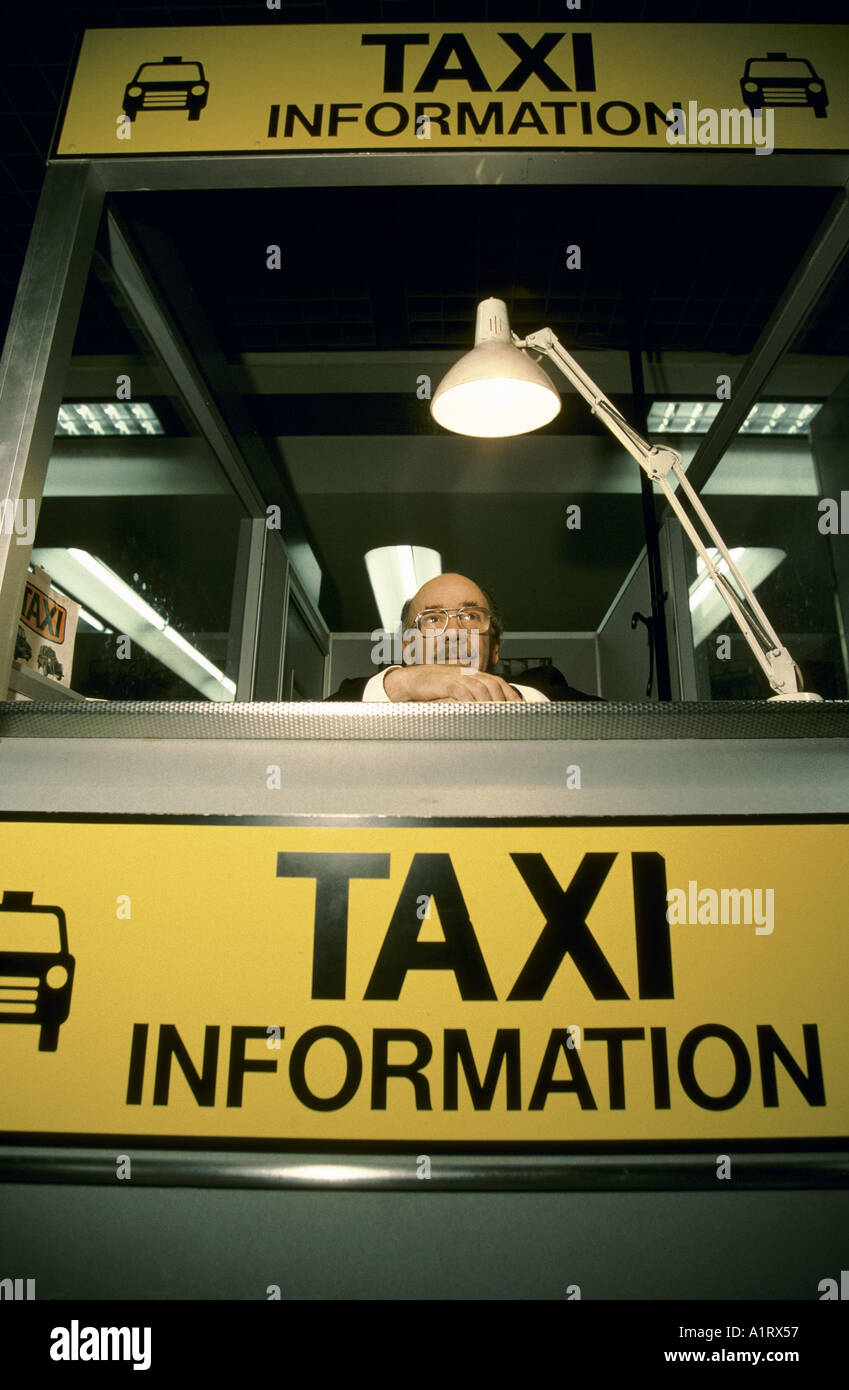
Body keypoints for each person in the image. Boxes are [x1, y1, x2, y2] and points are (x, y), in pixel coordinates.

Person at [323, 571, 602, 702]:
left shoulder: (544, 685)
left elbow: (606, 721)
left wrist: (509, 702)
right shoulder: (360, 693)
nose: (454, 632)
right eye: (433, 618)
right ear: (408, 648)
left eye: (470, 616)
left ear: (494, 648)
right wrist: (401, 684)